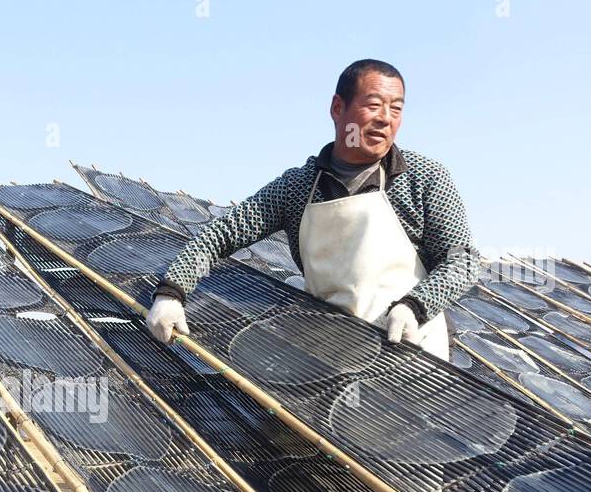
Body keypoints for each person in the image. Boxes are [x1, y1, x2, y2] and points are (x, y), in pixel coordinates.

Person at [146, 59, 478, 361]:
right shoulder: (299, 187)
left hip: (410, 349)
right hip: (330, 350)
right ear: (338, 108)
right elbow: (222, 233)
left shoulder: (423, 178)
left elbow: (462, 260)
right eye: (374, 105)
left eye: (396, 109)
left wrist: (413, 307)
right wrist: (172, 292)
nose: (385, 119)